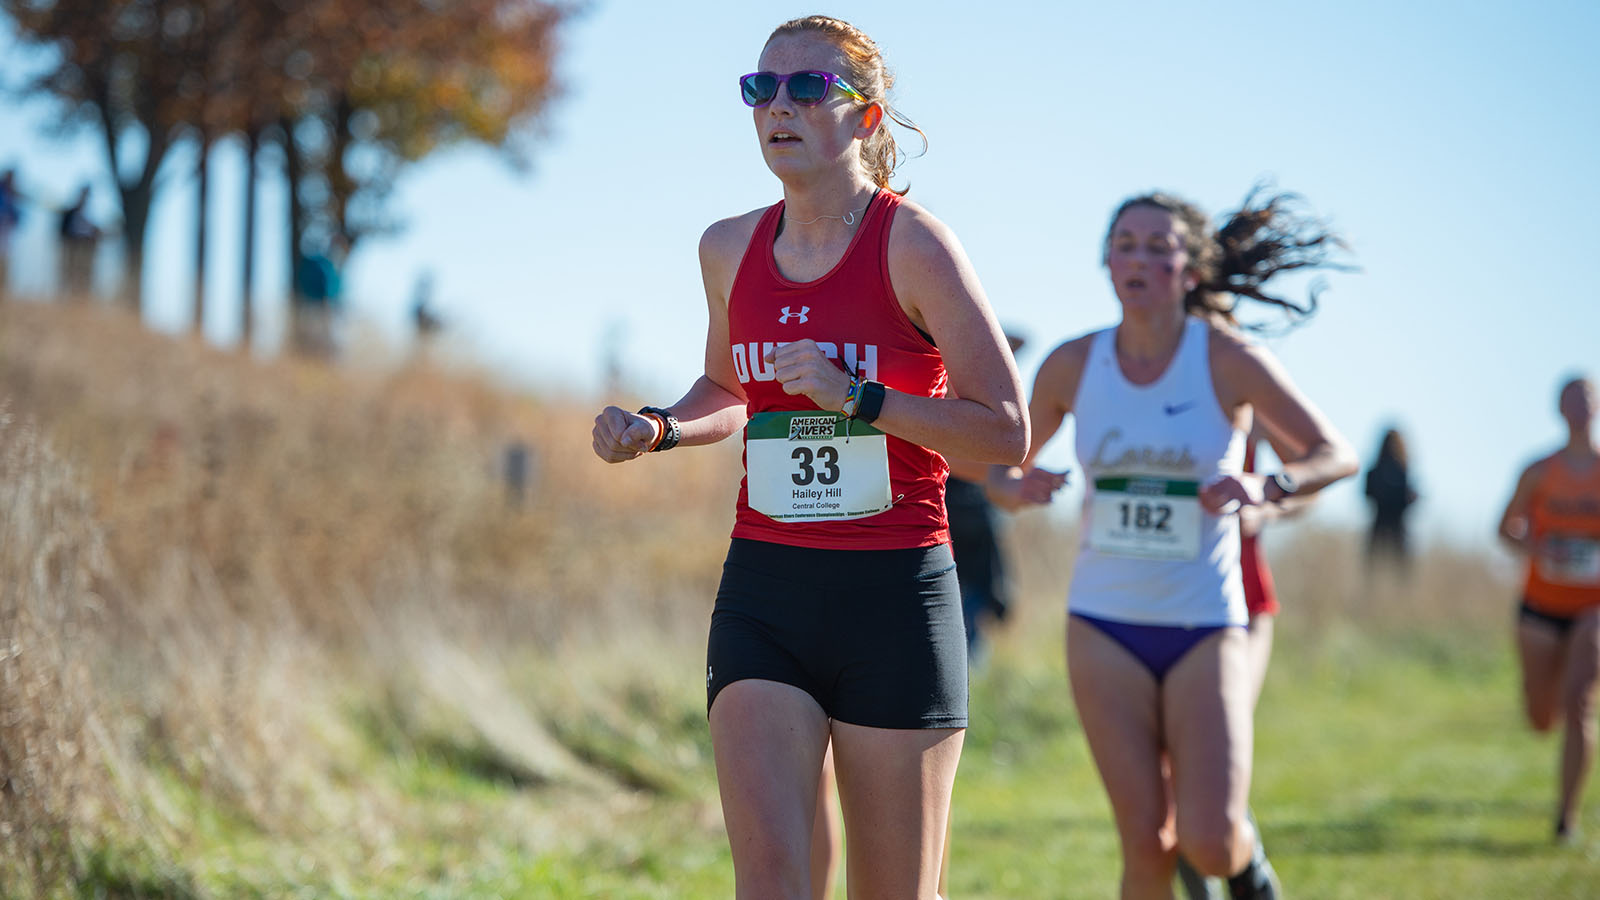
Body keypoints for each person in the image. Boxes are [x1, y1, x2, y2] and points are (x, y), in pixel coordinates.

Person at [590, 16, 1026, 899]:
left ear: (866, 118)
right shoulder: (727, 248)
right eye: (761, 88)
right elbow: (728, 387)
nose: (777, 106)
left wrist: (859, 397)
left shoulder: (915, 245)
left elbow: (1004, 430)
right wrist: (661, 427)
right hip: (767, 592)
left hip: (895, 594)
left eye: (807, 87)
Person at [991, 188, 1357, 899]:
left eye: (1159, 248)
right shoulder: (1072, 363)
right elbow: (999, 465)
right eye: (1125, 246)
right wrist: (1017, 486)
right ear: (1106, 261)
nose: (1138, 260)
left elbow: (1334, 453)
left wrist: (1271, 487)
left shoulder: (1226, 359)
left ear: (1191, 269)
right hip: (1103, 624)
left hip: (1204, 623)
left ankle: (1248, 870)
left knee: (1209, 840)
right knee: (1147, 842)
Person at [1497, 375, 1600, 844]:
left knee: (1580, 703)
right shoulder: (1539, 471)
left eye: (1587, 398)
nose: (1580, 407)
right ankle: (1551, 689)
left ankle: (1566, 819)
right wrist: (1538, 548)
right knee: (1541, 718)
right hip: (1540, 605)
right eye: (1571, 399)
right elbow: (1504, 528)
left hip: (1592, 606)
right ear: (1559, 409)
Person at [1365, 427, 1418, 571]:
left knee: (1375, 565)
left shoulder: (1375, 470)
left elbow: (1367, 494)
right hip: (1394, 525)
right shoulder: (1403, 470)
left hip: (1383, 523)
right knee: (1398, 567)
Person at [57, 184, 101, 300]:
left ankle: (80, 298)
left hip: (84, 249)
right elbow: (64, 232)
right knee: (69, 274)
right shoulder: (71, 213)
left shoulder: (87, 215)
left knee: (83, 275)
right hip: (72, 248)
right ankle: (67, 298)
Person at [0, 168, 23, 301]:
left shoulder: (12, 195)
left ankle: (3, 292)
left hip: (6, 234)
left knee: (5, 262)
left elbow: (17, 216)